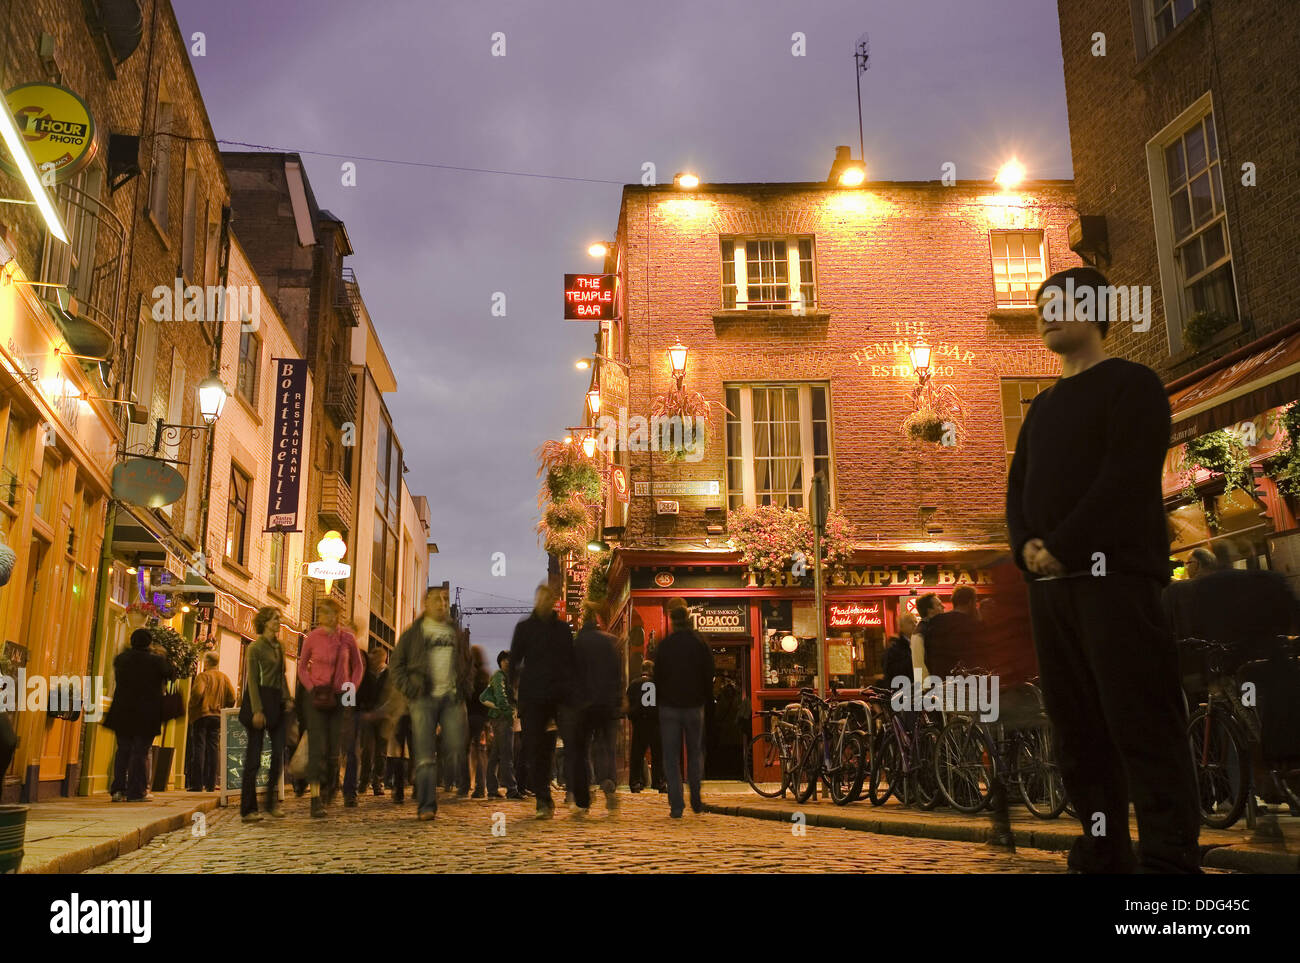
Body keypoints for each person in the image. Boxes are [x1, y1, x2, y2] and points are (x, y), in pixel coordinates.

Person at [1006, 266, 1200, 874]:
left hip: (1116, 579)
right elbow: (1017, 491)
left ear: (1097, 310)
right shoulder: (1040, 408)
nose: (1047, 313)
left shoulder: (1133, 385)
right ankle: (1102, 847)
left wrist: (1062, 542)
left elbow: (1126, 475)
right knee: (1077, 731)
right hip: (1052, 590)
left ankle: (1169, 856)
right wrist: (1027, 548)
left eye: (1061, 302)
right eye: (1041, 305)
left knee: (1141, 719)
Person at [391, 586, 471, 821]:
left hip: (451, 697)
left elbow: (467, 662)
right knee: (425, 756)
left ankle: (445, 776)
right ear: (426, 603)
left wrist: (465, 687)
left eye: (445, 600)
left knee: (456, 747)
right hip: (423, 698)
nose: (442, 604)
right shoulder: (413, 633)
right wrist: (410, 689)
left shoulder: (454, 632)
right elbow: (396, 665)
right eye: (437, 600)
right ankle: (426, 805)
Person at [508, 582, 575, 819]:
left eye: (549, 599)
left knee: (551, 749)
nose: (545, 603)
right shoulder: (525, 628)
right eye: (542, 599)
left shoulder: (562, 629)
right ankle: (543, 799)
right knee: (535, 749)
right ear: (537, 601)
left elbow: (570, 663)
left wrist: (570, 693)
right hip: (533, 698)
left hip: (556, 698)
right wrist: (514, 693)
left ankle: (563, 794)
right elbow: (514, 659)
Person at [297, 598, 365, 817]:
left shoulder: (347, 639)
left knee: (334, 750)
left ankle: (330, 786)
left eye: (330, 613)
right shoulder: (313, 638)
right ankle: (315, 798)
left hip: (339, 697)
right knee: (317, 747)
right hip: (317, 697)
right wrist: (310, 687)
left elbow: (357, 667)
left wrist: (350, 688)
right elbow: (301, 667)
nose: (326, 617)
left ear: (338, 616)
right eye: (322, 612)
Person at [655, 598, 715, 818]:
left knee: (671, 757)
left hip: (669, 707)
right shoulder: (699, 643)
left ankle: (676, 804)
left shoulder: (665, 645)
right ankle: (696, 798)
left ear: (672, 620)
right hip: (693, 706)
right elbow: (709, 674)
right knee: (695, 753)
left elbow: (656, 677)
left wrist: (658, 702)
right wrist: (705, 700)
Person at [103, 628, 176, 802]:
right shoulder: (156, 661)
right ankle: (137, 791)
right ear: (149, 643)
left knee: (123, 750)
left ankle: (118, 790)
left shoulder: (121, 659)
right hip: (146, 713)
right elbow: (172, 674)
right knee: (141, 752)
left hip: (122, 711)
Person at [568, 602, 624, 815]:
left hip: (583, 706)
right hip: (607, 704)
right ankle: (609, 785)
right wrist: (618, 699)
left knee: (582, 750)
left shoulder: (577, 644)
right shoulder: (609, 643)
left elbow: (571, 676)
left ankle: (583, 798)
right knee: (606, 748)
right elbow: (617, 674)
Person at [240, 607, 293, 821]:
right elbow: (252, 680)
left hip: (277, 701)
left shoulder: (279, 646)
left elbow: (282, 676)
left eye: (278, 618)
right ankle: (248, 808)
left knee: (278, 753)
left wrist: (288, 698)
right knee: (254, 758)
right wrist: (257, 710)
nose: (278, 622)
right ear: (264, 622)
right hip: (259, 699)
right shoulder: (255, 647)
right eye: (274, 619)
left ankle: (270, 803)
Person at [187, 652, 235, 793]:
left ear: (206, 662)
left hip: (202, 714)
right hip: (217, 716)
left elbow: (197, 693)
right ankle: (211, 784)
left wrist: (192, 706)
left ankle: (196, 784)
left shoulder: (203, 676)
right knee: (213, 749)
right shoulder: (224, 677)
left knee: (199, 748)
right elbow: (232, 697)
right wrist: (224, 707)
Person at [918, 585, 982, 679]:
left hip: (940, 681)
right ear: (970, 602)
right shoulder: (972, 625)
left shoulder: (935, 623)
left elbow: (927, 658)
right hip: (965, 683)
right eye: (975, 602)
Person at [352, 644, 391, 796]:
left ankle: (377, 782)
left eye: (375, 658)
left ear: (383, 659)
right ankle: (364, 781)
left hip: (383, 718)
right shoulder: (366, 674)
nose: (373, 661)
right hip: (368, 716)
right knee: (367, 750)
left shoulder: (389, 674)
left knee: (381, 751)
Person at [481, 650, 520, 798]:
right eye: (505, 660)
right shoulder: (499, 676)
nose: (508, 662)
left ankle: (491, 789)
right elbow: (501, 696)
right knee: (506, 755)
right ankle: (511, 789)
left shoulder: (507, 677)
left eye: (510, 660)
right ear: (500, 662)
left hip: (499, 718)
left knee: (496, 755)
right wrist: (509, 711)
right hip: (502, 718)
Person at [626, 659, 663, 793]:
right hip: (654, 722)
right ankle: (658, 782)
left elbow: (628, 703)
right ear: (652, 670)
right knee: (658, 754)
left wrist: (632, 718)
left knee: (637, 754)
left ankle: (636, 782)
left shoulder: (634, 684)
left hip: (640, 722)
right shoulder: (657, 684)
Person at [465, 645, 491, 798]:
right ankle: (480, 787)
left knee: (465, 751)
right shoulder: (484, 675)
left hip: (468, 716)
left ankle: (465, 784)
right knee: (480, 752)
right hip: (481, 718)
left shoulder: (468, 674)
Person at [909, 593, 944, 681]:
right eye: (939, 605)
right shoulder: (921, 633)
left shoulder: (931, 628)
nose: (943, 607)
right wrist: (926, 688)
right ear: (930, 610)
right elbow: (919, 665)